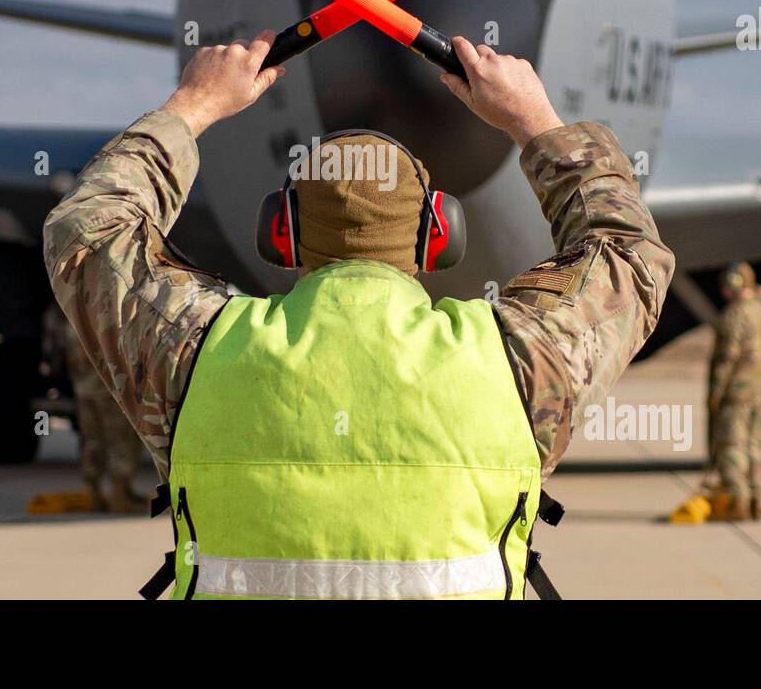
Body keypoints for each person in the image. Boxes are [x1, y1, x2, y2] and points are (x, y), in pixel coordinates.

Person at [43, 31, 675, 599]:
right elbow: (631, 256)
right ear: (437, 237)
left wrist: (195, 104)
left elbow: (88, 233)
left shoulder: (197, 352)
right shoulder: (516, 363)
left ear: (281, 233)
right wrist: (534, 119)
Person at [41, 303, 148, 513]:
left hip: (83, 386)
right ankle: (120, 493)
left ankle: (95, 493)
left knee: (92, 439)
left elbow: (54, 349)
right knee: (121, 437)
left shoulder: (65, 307)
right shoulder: (107, 307)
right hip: (109, 386)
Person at [707, 262, 761, 521]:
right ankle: (757, 497)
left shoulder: (734, 315)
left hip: (736, 392)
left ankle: (739, 500)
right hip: (759, 391)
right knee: (756, 445)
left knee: (732, 445)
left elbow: (727, 357)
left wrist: (716, 390)